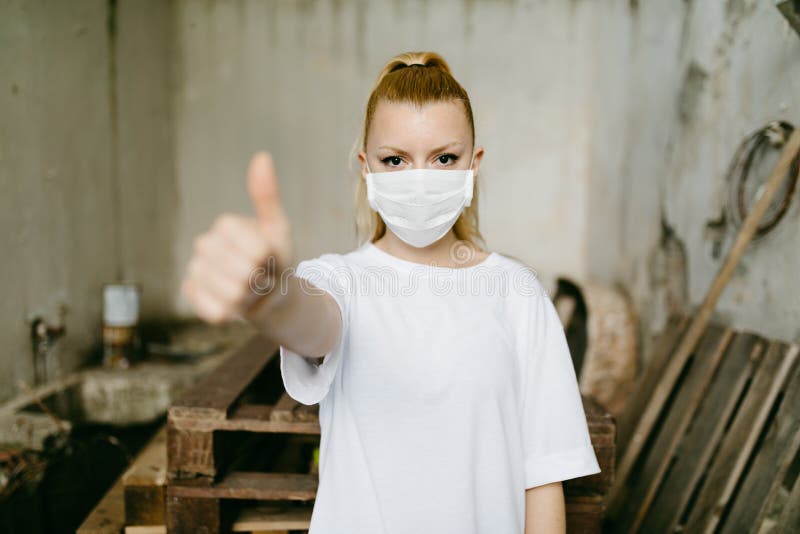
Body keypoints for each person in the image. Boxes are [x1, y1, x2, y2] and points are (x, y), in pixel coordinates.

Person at [182, 50, 601, 534]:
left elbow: (543, 478)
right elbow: (311, 323)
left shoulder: (517, 293)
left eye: (444, 158)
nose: (419, 179)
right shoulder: (339, 280)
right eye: (395, 159)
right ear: (366, 167)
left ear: (474, 164)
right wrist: (272, 294)